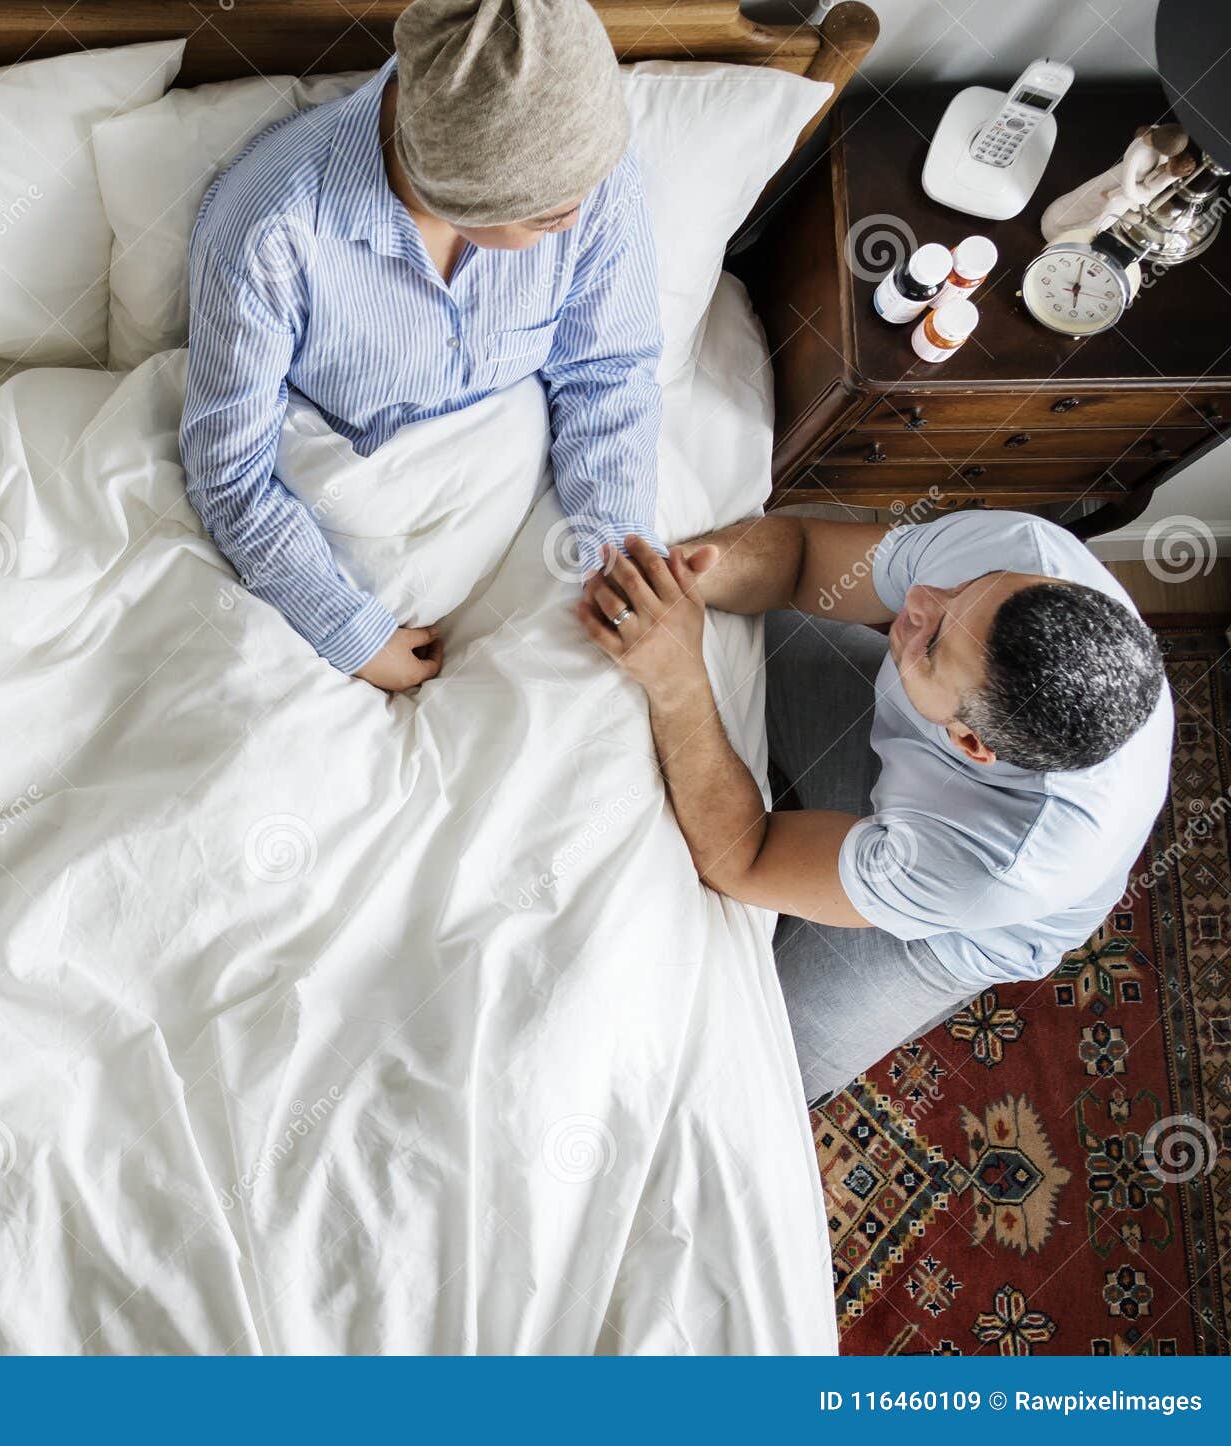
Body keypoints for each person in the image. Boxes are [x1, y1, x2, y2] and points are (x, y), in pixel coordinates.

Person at [574, 510, 1171, 1104]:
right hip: (901, 728)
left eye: (932, 641)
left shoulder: (996, 868)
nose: (918, 597)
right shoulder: (1022, 549)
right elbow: (804, 554)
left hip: (952, 918)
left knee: (738, 1083)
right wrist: (678, 585)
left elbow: (743, 857)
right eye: (966, 587)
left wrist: (678, 683)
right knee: (731, 613)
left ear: (970, 743)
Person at [180, 0, 662, 692]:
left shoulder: (595, 179)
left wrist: (620, 558)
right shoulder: (272, 230)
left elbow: (609, 372)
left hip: (520, 504)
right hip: (343, 514)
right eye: (549, 216)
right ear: (459, 196)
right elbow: (229, 475)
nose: (584, 215)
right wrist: (351, 631)